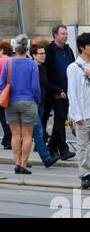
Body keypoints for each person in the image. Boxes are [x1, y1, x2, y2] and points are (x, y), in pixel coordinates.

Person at [0, 33, 41, 175]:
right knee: (27, 135)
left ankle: (16, 163)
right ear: (27, 49)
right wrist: (37, 100)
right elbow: (35, 87)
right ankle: (24, 164)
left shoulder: (8, 63)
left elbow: (2, 84)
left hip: (11, 102)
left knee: (15, 135)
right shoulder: (32, 64)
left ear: (15, 49)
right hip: (28, 101)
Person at [44, 23, 76, 161]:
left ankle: (55, 147)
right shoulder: (49, 51)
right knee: (60, 119)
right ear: (55, 35)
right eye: (63, 34)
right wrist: (56, 89)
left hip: (68, 92)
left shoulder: (68, 50)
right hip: (55, 92)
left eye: (66, 34)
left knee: (61, 120)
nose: (66, 36)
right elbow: (46, 75)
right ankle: (60, 149)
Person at [30, 39, 59, 169]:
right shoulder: (32, 68)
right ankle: (46, 159)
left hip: (41, 104)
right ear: (34, 55)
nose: (43, 55)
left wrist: (58, 90)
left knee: (30, 132)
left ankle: (21, 160)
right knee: (37, 131)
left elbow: (45, 84)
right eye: (40, 53)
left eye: (44, 53)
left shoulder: (43, 68)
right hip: (32, 104)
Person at [67, 32, 90, 190]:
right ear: (82, 48)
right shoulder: (73, 68)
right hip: (83, 113)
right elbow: (72, 94)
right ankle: (85, 174)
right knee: (83, 146)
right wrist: (77, 115)